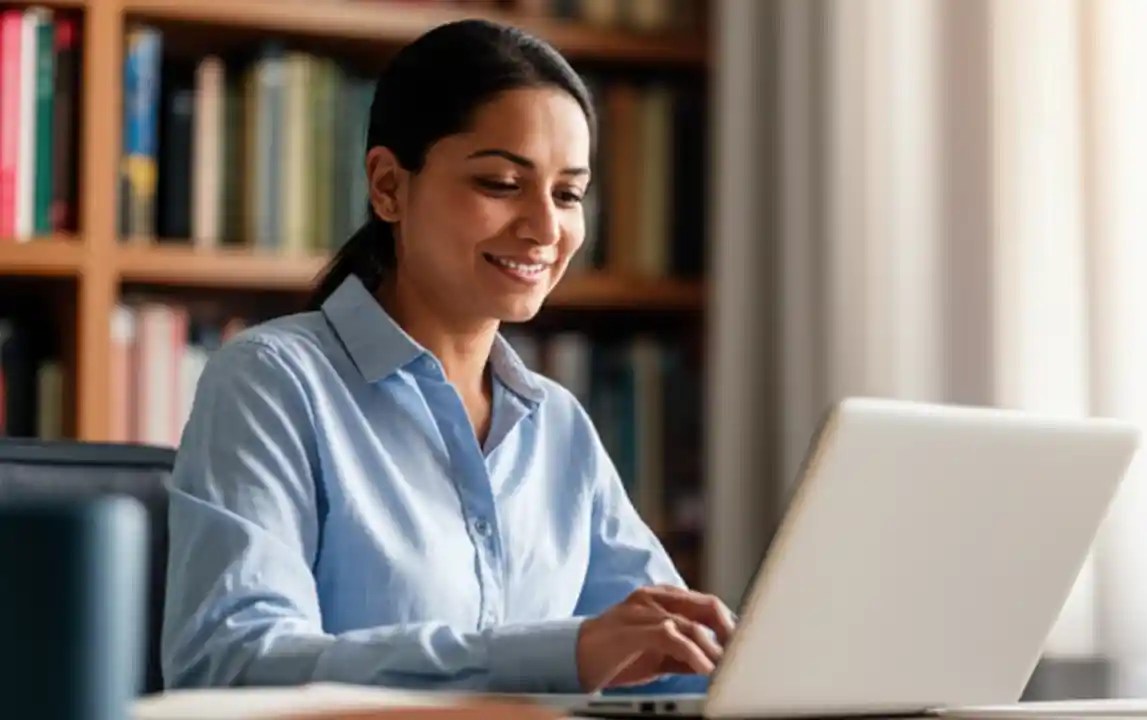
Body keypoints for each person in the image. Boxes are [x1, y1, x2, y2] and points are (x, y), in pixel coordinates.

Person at [160, 19, 733, 694]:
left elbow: (676, 658)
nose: (545, 228)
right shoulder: (272, 381)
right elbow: (235, 664)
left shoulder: (557, 424)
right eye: (501, 183)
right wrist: (561, 654)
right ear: (388, 186)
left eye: (568, 194)